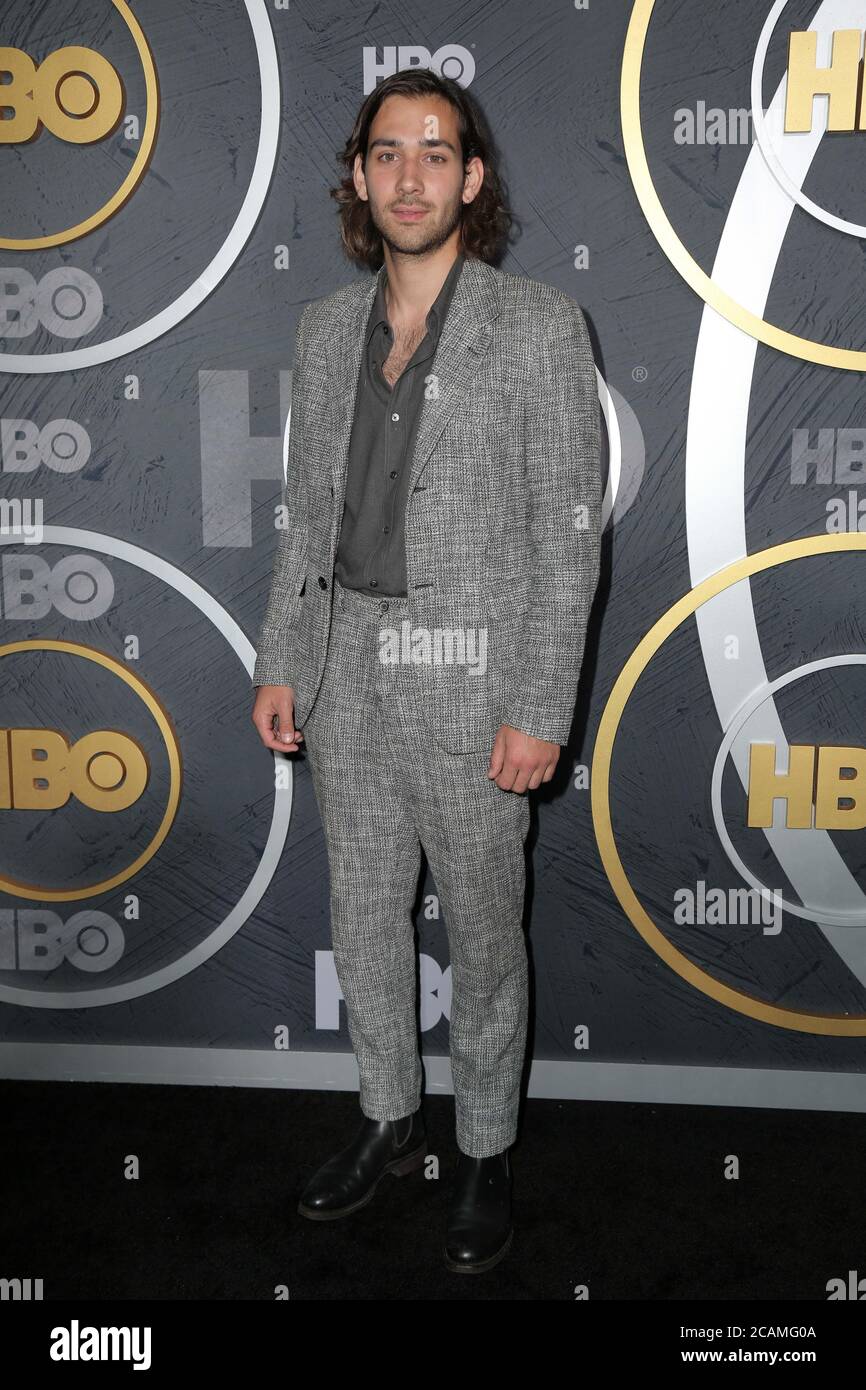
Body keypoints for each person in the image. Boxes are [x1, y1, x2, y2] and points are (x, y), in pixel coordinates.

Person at [251, 66, 602, 1275]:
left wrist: (536, 706)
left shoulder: (540, 325)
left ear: (471, 176)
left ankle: (485, 1146)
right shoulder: (321, 329)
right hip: (348, 683)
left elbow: (567, 539)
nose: (409, 175)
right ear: (358, 176)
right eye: (386, 153)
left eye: (433, 152)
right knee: (362, 926)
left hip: (476, 692)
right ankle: (390, 1120)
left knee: (488, 942)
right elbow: (305, 520)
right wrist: (282, 660)